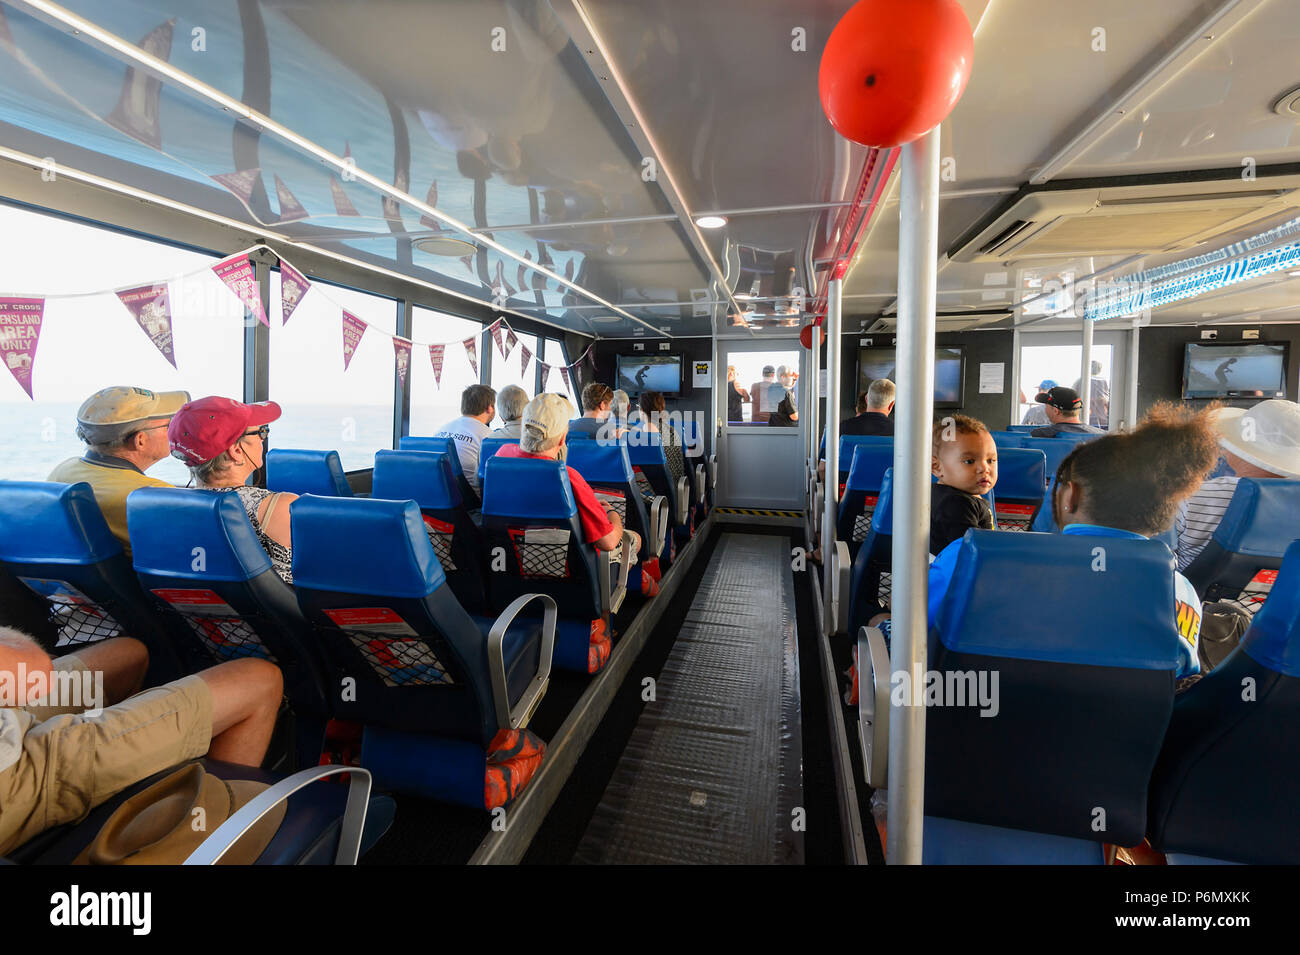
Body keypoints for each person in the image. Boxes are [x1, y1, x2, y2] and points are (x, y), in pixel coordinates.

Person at [863, 403, 1219, 692]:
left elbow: (921, 636)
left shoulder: (970, 558)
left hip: (974, 733)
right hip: (1123, 763)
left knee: (885, 626)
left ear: (1070, 496)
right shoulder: (1180, 592)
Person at [0, 625, 282, 855]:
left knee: (127, 656)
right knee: (261, 680)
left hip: (10, 725)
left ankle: (120, 777)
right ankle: (205, 835)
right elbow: (34, 670)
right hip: (14, 778)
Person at [494, 394, 646, 567]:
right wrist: (613, 514)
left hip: (510, 561)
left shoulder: (500, 456)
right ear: (562, 439)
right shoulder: (567, 477)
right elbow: (608, 542)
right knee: (634, 538)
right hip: (564, 566)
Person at [47, 386, 189, 556]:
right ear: (140, 440)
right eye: (169, 425)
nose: (174, 430)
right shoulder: (154, 496)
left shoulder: (62, 471)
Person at [168, 396, 296, 583]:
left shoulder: (169, 505)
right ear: (236, 451)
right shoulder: (279, 507)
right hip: (277, 611)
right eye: (262, 432)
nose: (264, 439)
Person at [1175, 398, 1300, 573]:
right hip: (1288, 600)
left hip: (1199, 599)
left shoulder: (1189, 498)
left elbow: (1160, 565)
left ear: (1238, 449)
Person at [930, 414, 997, 555]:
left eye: (991, 460)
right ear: (936, 467)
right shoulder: (957, 504)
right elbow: (968, 554)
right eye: (969, 461)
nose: (985, 468)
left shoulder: (943, 494)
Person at [434, 384, 497, 492]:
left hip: (437, 495)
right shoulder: (489, 437)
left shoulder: (441, 430)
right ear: (490, 408)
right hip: (470, 501)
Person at [637, 390, 688, 492]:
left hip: (658, 492)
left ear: (642, 410)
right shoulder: (670, 429)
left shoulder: (648, 431)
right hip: (675, 488)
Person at [1029, 386, 1105, 437]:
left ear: (1056, 411)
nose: (1045, 408)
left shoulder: (1040, 435)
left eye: (1046, 405)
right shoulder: (1103, 435)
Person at [1071, 361, 1110, 429]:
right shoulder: (1105, 382)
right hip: (1102, 419)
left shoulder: (1080, 381)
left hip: (1085, 417)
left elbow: (1073, 398)